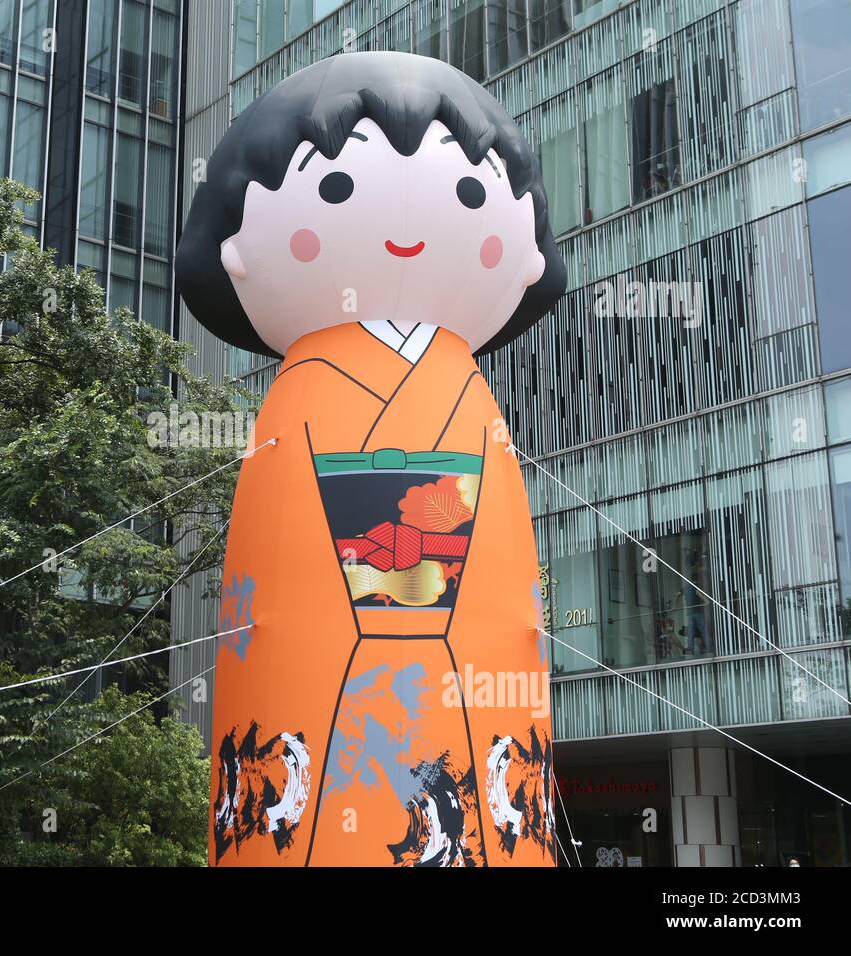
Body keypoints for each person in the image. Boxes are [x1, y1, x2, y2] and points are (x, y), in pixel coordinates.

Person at [177, 53, 566, 867]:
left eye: (472, 192)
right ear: (235, 250)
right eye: (335, 189)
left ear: (526, 256)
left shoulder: (462, 391)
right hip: (312, 665)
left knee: (485, 729)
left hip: (478, 660)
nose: (405, 226)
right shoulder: (302, 395)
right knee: (307, 710)